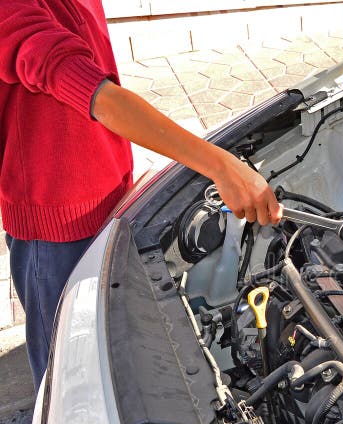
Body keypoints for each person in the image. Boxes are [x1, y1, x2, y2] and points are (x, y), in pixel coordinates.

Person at [1, 0, 282, 389]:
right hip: (53, 235)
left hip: (114, 198)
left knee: (111, 356)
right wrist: (219, 165)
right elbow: (91, 89)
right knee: (71, 383)